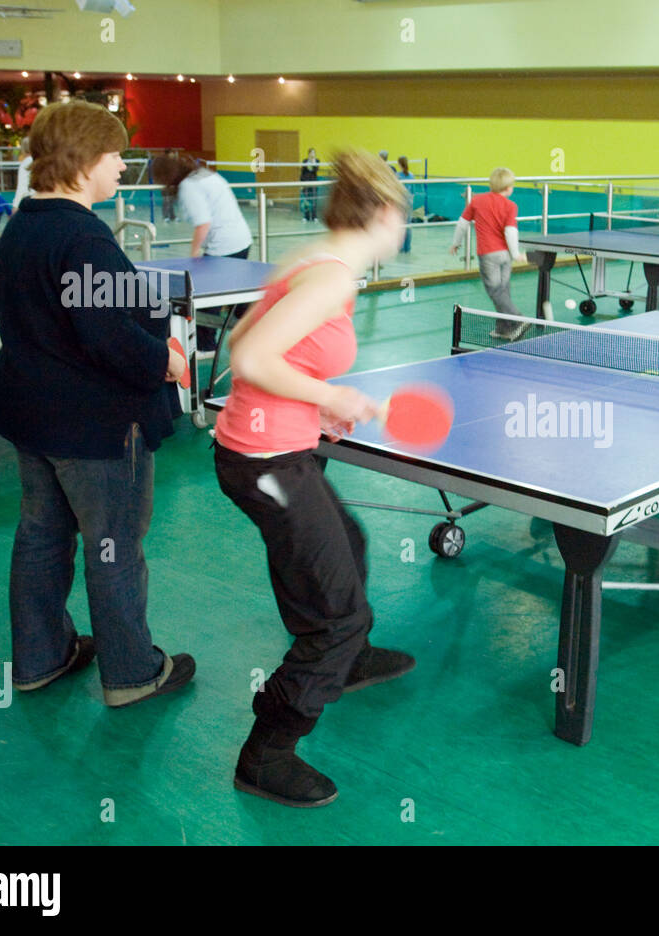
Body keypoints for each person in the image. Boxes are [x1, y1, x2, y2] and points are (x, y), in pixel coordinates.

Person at [213, 150, 416, 808]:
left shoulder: (311, 259)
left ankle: (348, 663)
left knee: (346, 544)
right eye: (402, 218)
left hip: (271, 448)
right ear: (383, 215)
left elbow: (249, 329)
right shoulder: (330, 279)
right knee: (338, 615)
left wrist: (310, 401)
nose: (403, 231)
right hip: (266, 463)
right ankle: (266, 752)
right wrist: (333, 398)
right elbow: (249, 353)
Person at [0, 100, 194, 706]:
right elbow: (106, 335)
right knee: (113, 546)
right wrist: (167, 360)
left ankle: (41, 658)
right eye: (115, 156)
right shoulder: (83, 235)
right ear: (82, 163)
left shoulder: (25, 225)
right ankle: (133, 673)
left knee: (42, 536)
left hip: (33, 417)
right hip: (96, 430)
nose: (122, 168)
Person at [152, 152, 254, 352]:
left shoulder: (189, 187)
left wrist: (194, 252)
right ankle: (258, 331)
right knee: (238, 300)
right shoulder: (204, 174)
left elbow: (203, 223)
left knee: (208, 301)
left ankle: (207, 347)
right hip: (241, 240)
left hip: (224, 247)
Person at [450, 167, 525, 338]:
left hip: (488, 255)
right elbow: (510, 231)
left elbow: (462, 223)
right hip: (505, 255)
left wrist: (456, 243)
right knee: (503, 291)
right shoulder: (511, 206)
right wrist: (515, 254)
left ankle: (517, 318)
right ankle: (503, 329)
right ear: (508, 188)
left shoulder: (477, 201)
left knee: (496, 292)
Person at [396, 155, 415, 253]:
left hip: (400, 201)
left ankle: (401, 247)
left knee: (401, 225)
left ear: (399, 164)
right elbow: (413, 190)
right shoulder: (411, 175)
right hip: (409, 202)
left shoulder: (398, 176)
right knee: (408, 224)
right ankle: (408, 247)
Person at [299, 147, 320, 223]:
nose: (312, 154)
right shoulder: (305, 161)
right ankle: (306, 217)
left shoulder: (317, 161)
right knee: (306, 201)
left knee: (314, 200)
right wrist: (301, 183)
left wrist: (313, 162)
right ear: (308, 154)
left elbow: (316, 170)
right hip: (306, 183)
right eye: (311, 153)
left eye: (314, 153)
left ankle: (314, 217)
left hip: (313, 183)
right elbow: (302, 172)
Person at [13, 137, 33, 209]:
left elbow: (22, 186)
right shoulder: (41, 161)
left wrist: (16, 205)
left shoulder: (25, 163)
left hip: (28, 201)